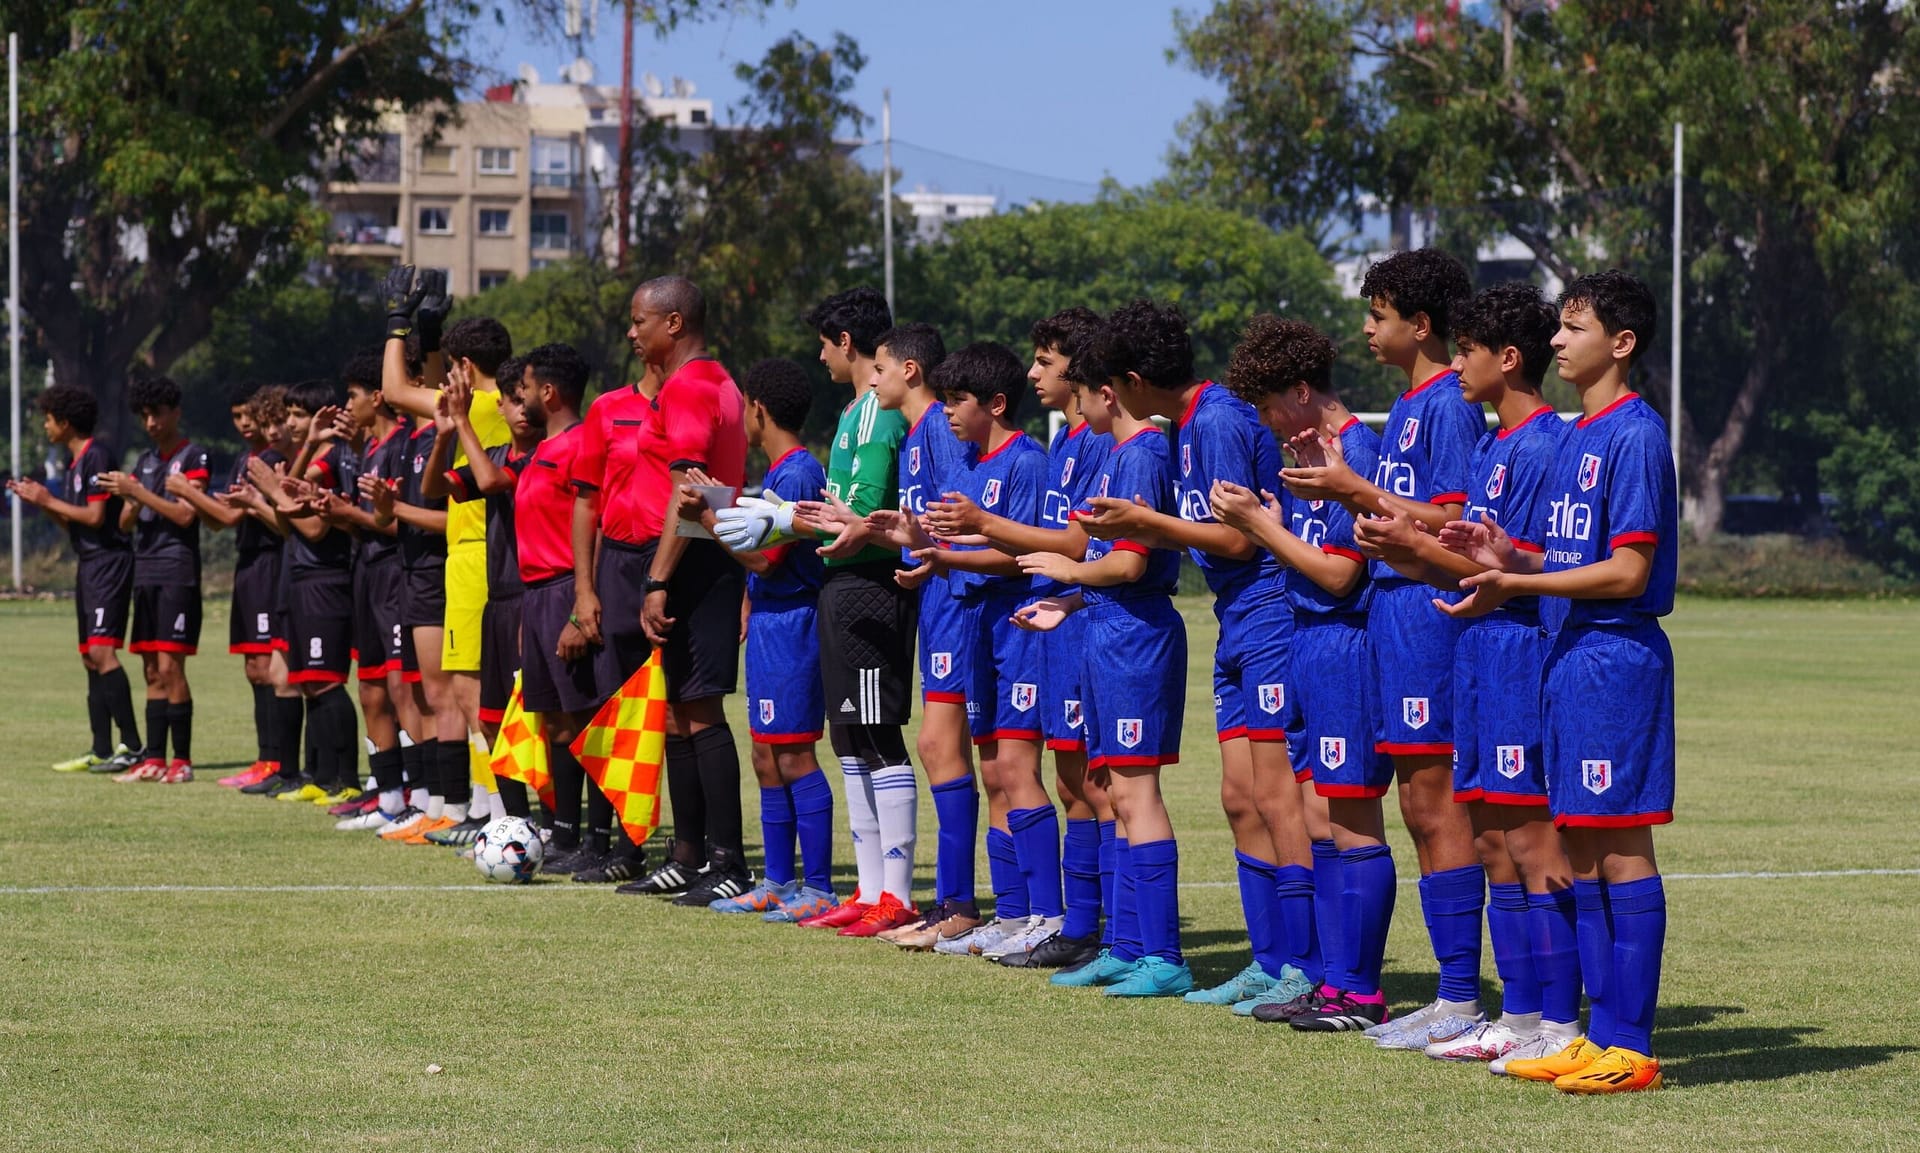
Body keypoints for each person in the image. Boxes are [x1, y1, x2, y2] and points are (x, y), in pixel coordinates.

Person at [1437, 270, 1675, 1094]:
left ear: (1622, 342)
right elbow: (1572, 557)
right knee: (1580, 846)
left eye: (1575, 327)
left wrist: (1518, 581)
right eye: (1560, 326)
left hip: (1614, 658)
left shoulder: (1635, 435)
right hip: (1567, 655)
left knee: (1621, 846)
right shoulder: (1578, 436)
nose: (1558, 340)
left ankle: (1630, 1046)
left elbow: (1629, 570)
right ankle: (1593, 1035)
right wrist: (1513, 554)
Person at [1350, 282, 1580, 1065]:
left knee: (1531, 839)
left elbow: (1538, 566)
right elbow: (1471, 558)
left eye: (1470, 352)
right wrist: (1413, 552)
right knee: (1490, 839)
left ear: (1506, 359)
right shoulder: (1492, 445)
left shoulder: (1545, 446)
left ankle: (1557, 1022)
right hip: (1476, 651)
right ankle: (1516, 1014)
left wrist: (1414, 545)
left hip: (1517, 653)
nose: (1457, 367)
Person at [1076, 301, 1318, 1011]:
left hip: (1269, 611)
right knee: (1240, 798)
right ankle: (1269, 961)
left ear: (1132, 380)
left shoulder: (1213, 421)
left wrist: (1147, 523)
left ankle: (1305, 965)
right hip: (1234, 616)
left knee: (1276, 796)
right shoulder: (1188, 424)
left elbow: (1240, 538)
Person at [1281, 248, 1486, 1049]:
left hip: (1431, 616)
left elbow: (1458, 523)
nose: (1366, 328)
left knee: (1438, 806)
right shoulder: (1404, 407)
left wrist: (1354, 491)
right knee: (1416, 808)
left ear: (1421, 323)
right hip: (1394, 619)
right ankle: (1447, 994)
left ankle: (1461, 995)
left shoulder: (1449, 405)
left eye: (1379, 314)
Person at [1207, 316, 1390, 1028]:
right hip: (1307, 644)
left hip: (1343, 646)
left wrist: (1259, 528)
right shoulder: (1308, 456)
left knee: (1348, 816)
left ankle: (1358, 990)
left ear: (1303, 391)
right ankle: (1333, 982)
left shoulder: (1356, 453)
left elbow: (1341, 575)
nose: (1265, 423)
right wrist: (1279, 523)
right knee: (1319, 817)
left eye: (1269, 406)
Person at [1016, 324, 1192, 998]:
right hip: (1106, 629)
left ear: (1106, 393)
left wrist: (1071, 571)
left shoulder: (1144, 452)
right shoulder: (1117, 452)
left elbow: (1129, 563)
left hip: (1136, 636)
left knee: (1136, 792)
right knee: (1115, 791)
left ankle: (1163, 956)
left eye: (1083, 392)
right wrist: (1068, 601)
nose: (1076, 404)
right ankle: (1125, 945)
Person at [874, 342, 1054, 954]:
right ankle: (1011, 913)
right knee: (995, 770)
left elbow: (1022, 551)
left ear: (995, 404)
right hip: (975, 624)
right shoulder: (969, 462)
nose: (947, 411)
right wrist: (918, 542)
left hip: (1016, 627)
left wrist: (942, 556)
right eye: (946, 400)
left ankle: (1045, 914)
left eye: (957, 400)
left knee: (1017, 769)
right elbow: (955, 539)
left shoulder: (1027, 461)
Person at [594, 276, 750, 904]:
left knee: (701, 710)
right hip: (700, 556)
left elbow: (689, 496)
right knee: (680, 712)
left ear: (675, 323)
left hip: (699, 561)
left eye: (640, 321)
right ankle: (688, 856)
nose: (632, 332)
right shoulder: (712, 382)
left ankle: (728, 861)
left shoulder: (689, 387)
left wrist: (657, 578)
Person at [684, 357, 835, 923]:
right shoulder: (780, 472)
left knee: (794, 752)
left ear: (758, 409)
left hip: (793, 624)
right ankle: (776, 882)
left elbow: (767, 559)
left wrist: (708, 520)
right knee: (766, 753)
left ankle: (818, 888)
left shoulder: (797, 474)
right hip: (772, 622)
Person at [784, 287, 916, 930]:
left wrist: (781, 521)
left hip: (870, 585)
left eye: (824, 344)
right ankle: (868, 891)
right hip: (844, 585)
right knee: (849, 737)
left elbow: (859, 517)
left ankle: (897, 894)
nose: (821, 357)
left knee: (877, 732)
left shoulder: (876, 413)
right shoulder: (853, 412)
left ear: (846, 342)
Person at [862, 322, 984, 948]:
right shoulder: (916, 434)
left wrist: (936, 553)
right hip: (936, 600)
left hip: (960, 602)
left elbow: (970, 517)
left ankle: (959, 904)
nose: (872, 379)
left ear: (910, 370)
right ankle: (950, 903)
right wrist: (892, 535)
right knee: (940, 747)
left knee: (941, 745)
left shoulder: (939, 426)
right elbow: (932, 530)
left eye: (880, 368)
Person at [426, 355, 539, 843]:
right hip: (498, 598)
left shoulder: (547, 453)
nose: (518, 409)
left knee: (545, 721)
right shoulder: (491, 452)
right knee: (490, 718)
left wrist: (462, 420)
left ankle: (558, 828)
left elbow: (493, 482)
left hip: (538, 595)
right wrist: (444, 435)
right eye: (511, 400)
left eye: (523, 399)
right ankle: (508, 820)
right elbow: (436, 487)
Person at [13, 385, 142, 772]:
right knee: (89, 656)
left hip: (109, 562)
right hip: (89, 563)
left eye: (49, 420)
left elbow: (96, 518)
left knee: (103, 653)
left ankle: (133, 746)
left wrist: (47, 499)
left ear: (65, 423)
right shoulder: (75, 464)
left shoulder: (96, 456)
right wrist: (41, 502)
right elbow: (74, 522)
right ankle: (101, 748)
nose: (45, 426)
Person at [257, 378, 363, 806]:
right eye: (289, 414)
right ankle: (321, 777)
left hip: (326, 580)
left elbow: (316, 528)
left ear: (322, 416)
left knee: (326, 681)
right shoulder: (311, 458)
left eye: (299, 414)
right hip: (301, 579)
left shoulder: (335, 459)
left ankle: (347, 779)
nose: (290, 422)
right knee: (309, 683)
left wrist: (271, 491)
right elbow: (287, 515)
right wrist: (277, 492)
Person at [100, 377, 208, 784]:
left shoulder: (194, 456)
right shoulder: (144, 461)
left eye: (157, 414)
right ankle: (155, 757)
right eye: (144, 416)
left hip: (176, 571)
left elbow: (185, 515)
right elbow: (126, 522)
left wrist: (139, 493)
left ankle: (182, 760)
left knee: (170, 665)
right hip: (144, 571)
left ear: (175, 413)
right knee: (150, 669)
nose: (150, 423)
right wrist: (129, 499)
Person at [325, 354, 414, 824]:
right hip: (367, 573)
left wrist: (349, 514)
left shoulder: (401, 445)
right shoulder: (371, 450)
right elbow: (368, 520)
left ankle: (422, 796)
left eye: (353, 396)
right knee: (372, 688)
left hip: (395, 574)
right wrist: (334, 510)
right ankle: (389, 798)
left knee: (402, 689)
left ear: (377, 397)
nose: (347, 405)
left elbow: (401, 523)